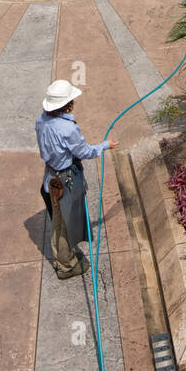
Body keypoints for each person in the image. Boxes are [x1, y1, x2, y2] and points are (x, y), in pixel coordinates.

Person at [35, 80, 117, 280]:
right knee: (62, 223)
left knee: (58, 219)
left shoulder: (41, 121)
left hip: (51, 176)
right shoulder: (67, 128)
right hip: (65, 179)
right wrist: (105, 145)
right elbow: (84, 151)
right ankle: (66, 266)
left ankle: (65, 257)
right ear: (67, 104)